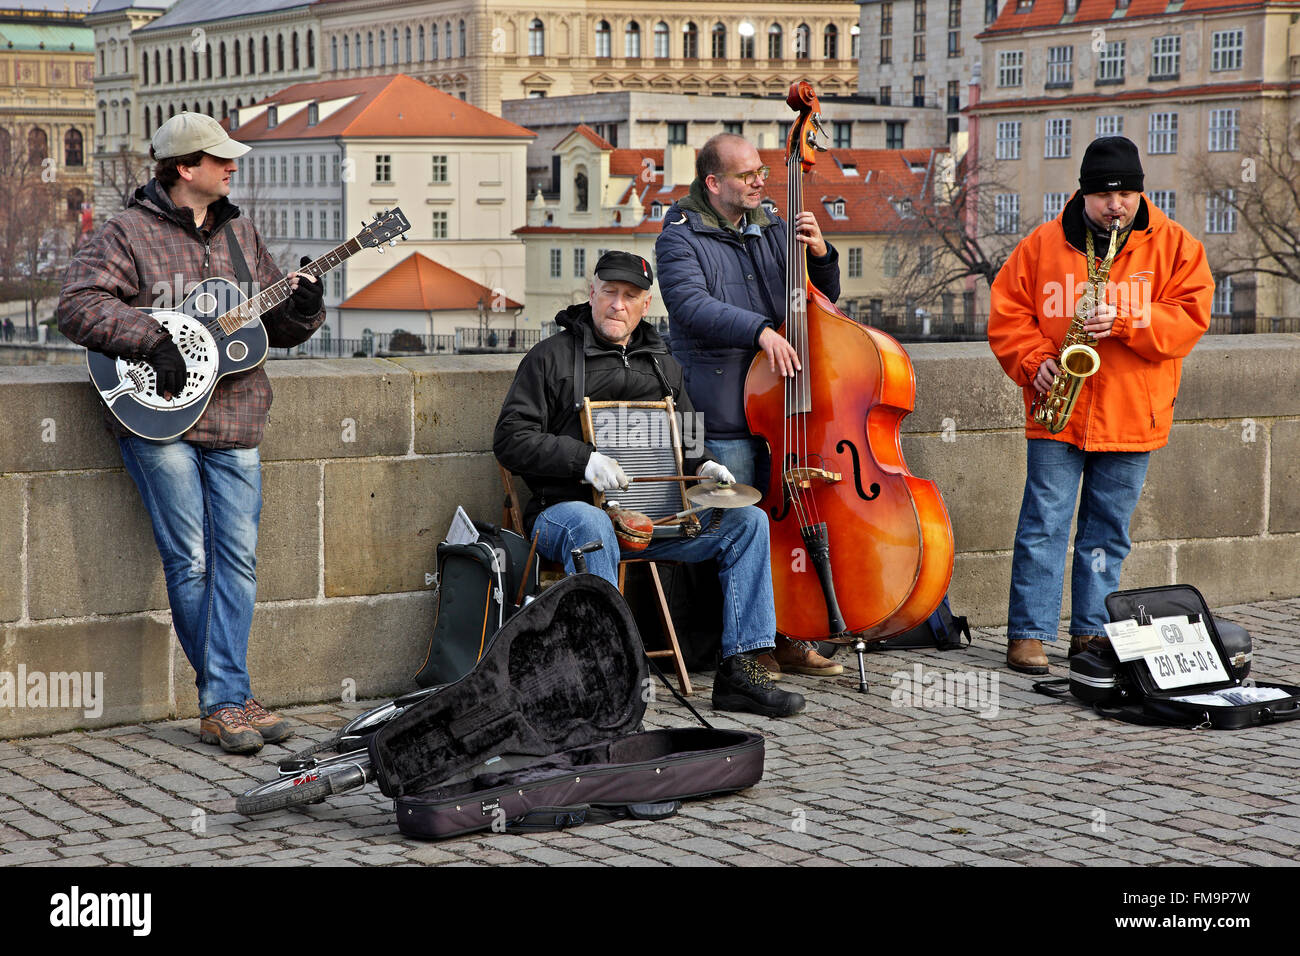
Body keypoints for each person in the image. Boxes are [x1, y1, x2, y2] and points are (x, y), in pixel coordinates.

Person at [57, 112, 325, 752]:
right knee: (192, 560)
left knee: (239, 562)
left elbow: (271, 327)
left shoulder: (240, 233)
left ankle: (225, 700)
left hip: (235, 416)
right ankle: (229, 700)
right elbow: (78, 304)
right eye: (220, 158)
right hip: (157, 417)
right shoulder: (127, 232)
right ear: (184, 167)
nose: (233, 167)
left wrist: (305, 306)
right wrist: (153, 340)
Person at [493, 250, 806, 718]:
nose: (617, 305)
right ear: (591, 293)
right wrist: (584, 460)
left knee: (747, 521)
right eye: (610, 293)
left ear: (645, 304)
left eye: (630, 296)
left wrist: (706, 468)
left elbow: (690, 434)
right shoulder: (550, 359)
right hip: (565, 513)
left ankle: (741, 669)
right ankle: (607, 674)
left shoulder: (664, 365)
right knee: (591, 522)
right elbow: (510, 440)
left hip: (657, 517)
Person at [988, 136, 1213, 674]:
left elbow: (1189, 321)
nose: (1117, 205)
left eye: (1128, 194)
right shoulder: (1042, 244)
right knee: (1043, 524)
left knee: (1107, 531)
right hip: (1057, 408)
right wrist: (1033, 360)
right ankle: (1029, 634)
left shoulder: (1177, 246)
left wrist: (1129, 322)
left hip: (1135, 411)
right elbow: (1008, 313)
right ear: (1083, 195)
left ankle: (1090, 632)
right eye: (1105, 195)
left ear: (1141, 192)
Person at [654, 131, 842, 678]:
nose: (761, 180)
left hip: (781, 408)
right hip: (721, 411)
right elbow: (690, 307)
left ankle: (785, 634)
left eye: (762, 170)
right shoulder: (679, 237)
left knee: (781, 529)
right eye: (746, 175)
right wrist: (761, 331)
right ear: (714, 184)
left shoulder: (773, 227)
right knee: (731, 526)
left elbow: (817, 301)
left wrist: (820, 254)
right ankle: (741, 649)